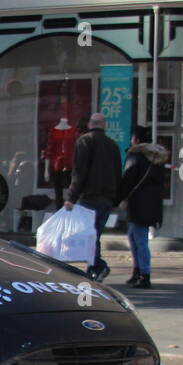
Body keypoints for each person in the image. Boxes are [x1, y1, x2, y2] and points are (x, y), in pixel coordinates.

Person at [63, 111, 122, 281]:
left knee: (89, 236)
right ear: (104, 125)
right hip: (107, 198)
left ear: (90, 124)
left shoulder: (84, 141)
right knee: (95, 235)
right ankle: (93, 269)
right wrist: (115, 199)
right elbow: (118, 173)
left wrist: (71, 197)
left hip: (89, 198)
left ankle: (97, 265)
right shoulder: (113, 145)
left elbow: (79, 173)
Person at [117, 125, 168, 289]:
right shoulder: (157, 158)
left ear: (136, 140)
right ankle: (138, 271)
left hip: (137, 203)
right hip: (152, 204)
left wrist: (117, 198)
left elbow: (128, 180)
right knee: (136, 237)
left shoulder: (136, 156)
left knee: (138, 240)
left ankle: (144, 274)